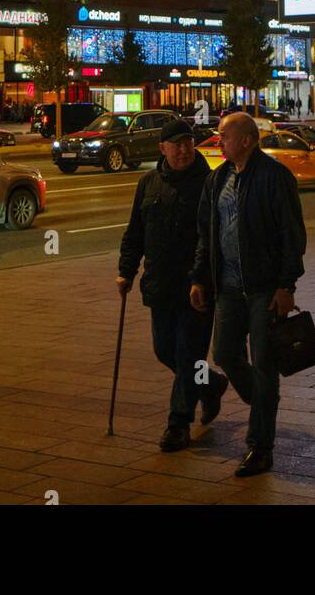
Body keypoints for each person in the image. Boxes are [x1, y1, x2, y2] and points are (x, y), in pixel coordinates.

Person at [191, 112, 306, 478]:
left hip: (263, 289)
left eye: (224, 135)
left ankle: (260, 447)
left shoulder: (274, 177)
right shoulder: (217, 178)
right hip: (227, 287)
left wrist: (286, 285)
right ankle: (261, 400)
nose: (218, 140)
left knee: (265, 363)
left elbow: (292, 234)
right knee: (224, 352)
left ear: (245, 140)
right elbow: (206, 234)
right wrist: (199, 278)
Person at [117, 118, 228, 453]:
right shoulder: (148, 183)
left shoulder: (209, 183)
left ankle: (178, 423)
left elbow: (209, 238)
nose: (183, 150)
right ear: (162, 148)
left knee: (188, 353)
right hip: (160, 283)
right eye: (176, 144)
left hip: (197, 287)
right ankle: (210, 385)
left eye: (188, 143)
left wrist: (200, 278)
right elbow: (135, 230)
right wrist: (126, 270)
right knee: (164, 349)